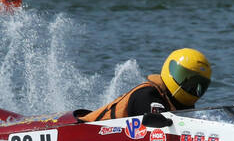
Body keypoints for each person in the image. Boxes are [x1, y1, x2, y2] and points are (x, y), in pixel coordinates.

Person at [78, 49, 211, 122]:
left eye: (198, 85)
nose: (192, 88)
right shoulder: (147, 95)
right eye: (187, 80)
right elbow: (160, 129)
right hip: (84, 134)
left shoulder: (183, 105)